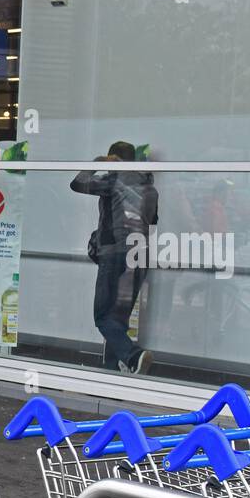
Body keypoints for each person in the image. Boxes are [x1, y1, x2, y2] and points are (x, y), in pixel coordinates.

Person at [70, 141, 158, 374]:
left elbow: (77, 183)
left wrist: (96, 163)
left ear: (113, 159)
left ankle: (133, 355)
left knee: (102, 316)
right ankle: (111, 375)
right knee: (117, 320)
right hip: (140, 256)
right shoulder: (150, 187)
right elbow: (152, 221)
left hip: (115, 254)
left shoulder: (113, 179)